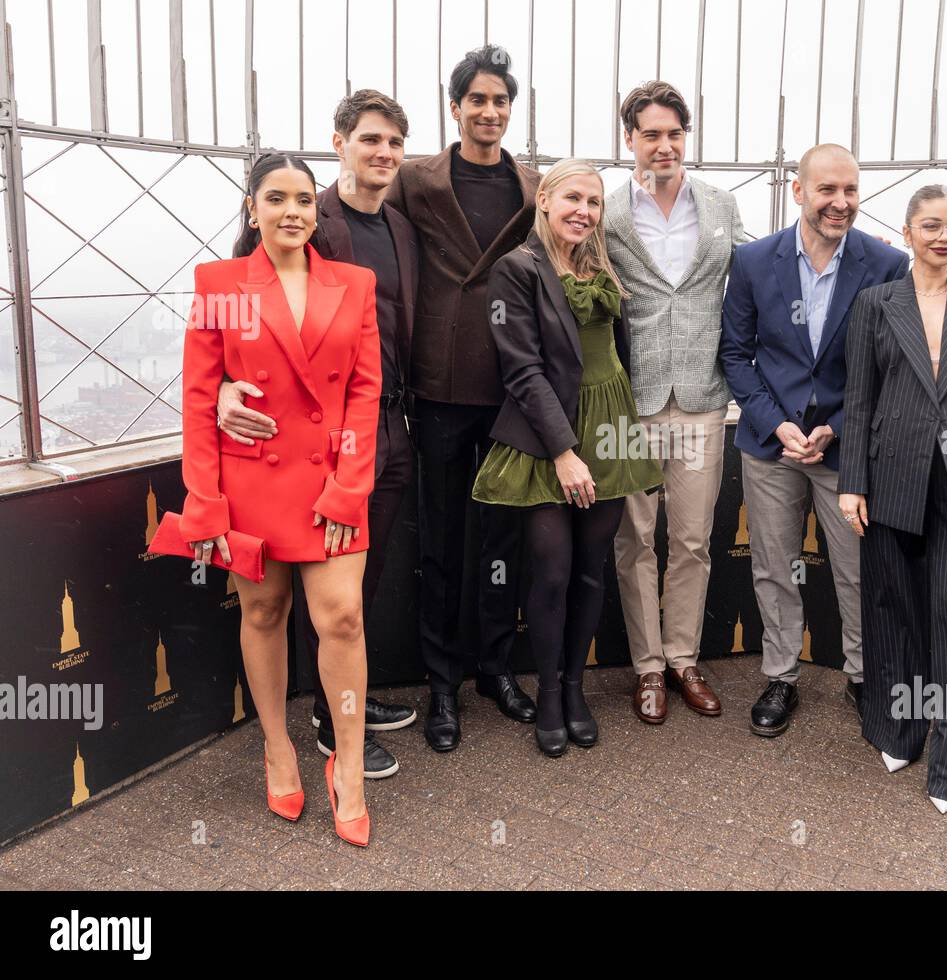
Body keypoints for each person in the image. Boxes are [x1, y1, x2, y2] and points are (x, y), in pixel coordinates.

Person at [216, 90, 418, 781]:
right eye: (369, 139)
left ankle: (344, 717)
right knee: (289, 604)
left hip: (384, 427)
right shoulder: (313, 217)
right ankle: (326, 730)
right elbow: (220, 348)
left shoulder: (400, 221)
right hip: (292, 454)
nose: (383, 153)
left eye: (394, 141)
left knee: (352, 603)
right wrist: (217, 392)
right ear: (340, 143)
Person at [181, 153, 380, 846]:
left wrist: (348, 486)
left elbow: (363, 395)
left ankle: (347, 764)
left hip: (332, 483)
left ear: (316, 211)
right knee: (263, 611)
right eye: (276, 198)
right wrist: (202, 498)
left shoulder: (355, 284)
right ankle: (277, 747)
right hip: (251, 482)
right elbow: (200, 395)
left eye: (303, 199)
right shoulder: (220, 284)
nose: (293, 210)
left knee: (345, 619)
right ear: (252, 207)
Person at [472, 159, 662, 757]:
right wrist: (563, 451)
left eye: (595, 201)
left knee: (590, 568)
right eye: (573, 198)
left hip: (612, 429)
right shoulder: (516, 270)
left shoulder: (603, 266)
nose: (584, 210)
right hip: (548, 435)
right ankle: (548, 693)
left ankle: (576, 688)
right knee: (551, 571)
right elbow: (522, 370)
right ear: (545, 200)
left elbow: (619, 355)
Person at [719, 144, 909, 738]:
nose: (840, 202)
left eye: (850, 190)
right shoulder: (751, 262)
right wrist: (777, 423)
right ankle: (780, 676)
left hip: (844, 448)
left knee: (857, 571)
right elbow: (736, 354)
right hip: (771, 445)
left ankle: (861, 677)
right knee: (776, 567)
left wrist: (839, 427)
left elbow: (889, 363)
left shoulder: (887, 264)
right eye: (827, 190)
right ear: (798, 191)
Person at [837, 183, 947, 813]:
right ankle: (898, 731)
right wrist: (851, 481)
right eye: (932, 225)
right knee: (893, 610)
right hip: (892, 474)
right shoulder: (874, 304)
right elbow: (857, 400)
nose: (944, 236)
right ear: (908, 231)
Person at [386, 45, 541, 752]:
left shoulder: (534, 185)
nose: (489, 111)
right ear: (455, 108)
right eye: (476, 99)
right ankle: (441, 684)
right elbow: (347, 221)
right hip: (442, 383)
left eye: (500, 100)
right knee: (443, 539)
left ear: (511, 109)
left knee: (502, 539)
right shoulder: (416, 179)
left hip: (512, 383)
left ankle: (494, 670)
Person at [605, 80, 746, 724]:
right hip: (631, 400)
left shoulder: (720, 205)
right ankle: (648, 667)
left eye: (675, 133)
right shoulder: (603, 211)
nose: (664, 145)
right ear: (629, 139)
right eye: (651, 134)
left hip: (700, 398)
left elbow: (757, 270)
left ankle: (684, 657)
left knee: (690, 538)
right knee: (635, 539)